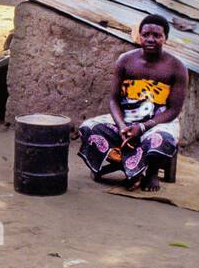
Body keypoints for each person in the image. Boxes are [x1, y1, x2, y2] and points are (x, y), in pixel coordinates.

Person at [77, 14, 188, 191]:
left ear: (165, 38)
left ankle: (151, 172)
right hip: (127, 119)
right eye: (146, 35)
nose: (150, 39)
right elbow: (113, 99)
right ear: (139, 36)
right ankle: (133, 170)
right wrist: (121, 125)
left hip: (158, 121)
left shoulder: (177, 67)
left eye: (156, 35)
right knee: (88, 127)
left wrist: (143, 127)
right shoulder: (126, 60)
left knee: (162, 139)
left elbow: (174, 110)